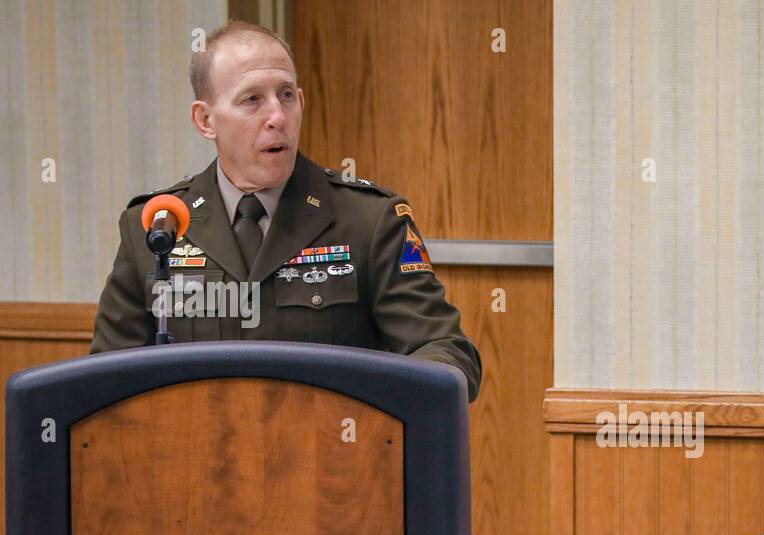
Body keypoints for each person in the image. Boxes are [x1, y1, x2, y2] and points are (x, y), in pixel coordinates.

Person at [90, 20, 482, 402]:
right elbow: (105, 377)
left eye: (287, 95)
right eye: (252, 100)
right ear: (205, 120)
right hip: (195, 458)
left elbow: (443, 348)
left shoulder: (368, 219)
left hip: (332, 455)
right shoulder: (158, 224)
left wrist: (412, 396)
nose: (277, 117)